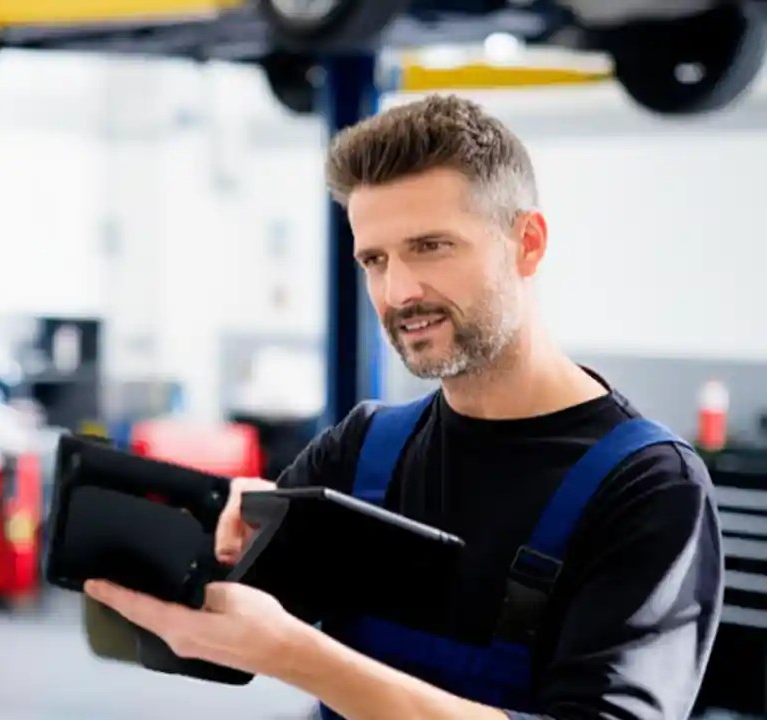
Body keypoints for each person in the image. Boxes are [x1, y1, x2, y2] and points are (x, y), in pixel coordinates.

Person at [85, 94, 724, 719]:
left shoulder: (648, 488)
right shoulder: (363, 449)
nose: (399, 292)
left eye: (431, 247)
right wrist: (212, 543)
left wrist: (306, 658)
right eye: (375, 259)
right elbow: (215, 642)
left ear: (527, 243)